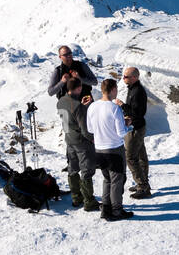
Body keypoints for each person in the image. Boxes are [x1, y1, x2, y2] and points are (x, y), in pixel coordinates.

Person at [87, 78, 133, 222]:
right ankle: (117, 210)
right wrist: (127, 125)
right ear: (113, 89)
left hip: (99, 149)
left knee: (107, 179)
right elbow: (121, 133)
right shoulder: (115, 108)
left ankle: (106, 208)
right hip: (114, 149)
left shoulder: (92, 106)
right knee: (117, 181)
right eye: (116, 89)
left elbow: (90, 129)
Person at [57, 77, 99, 211]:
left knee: (73, 168)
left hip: (69, 139)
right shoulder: (78, 107)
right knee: (87, 170)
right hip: (81, 141)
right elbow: (85, 129)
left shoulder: (61, 101)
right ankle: (89, 201)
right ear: (79, 88)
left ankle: (76, 197)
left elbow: (71, 116)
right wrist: (93, 139)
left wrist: (82, 106)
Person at [121, 66, 151, 198]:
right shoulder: (133, 89)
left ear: (135, 77)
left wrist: (122, 106)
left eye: (126, 76)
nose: (124, 78)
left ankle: (143, 186)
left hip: (135, 128)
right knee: (140, 156)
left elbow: (138, 113)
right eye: (123, 76)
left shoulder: (137, 91)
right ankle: (143, 183)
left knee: (131, 157)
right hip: (136, 127)